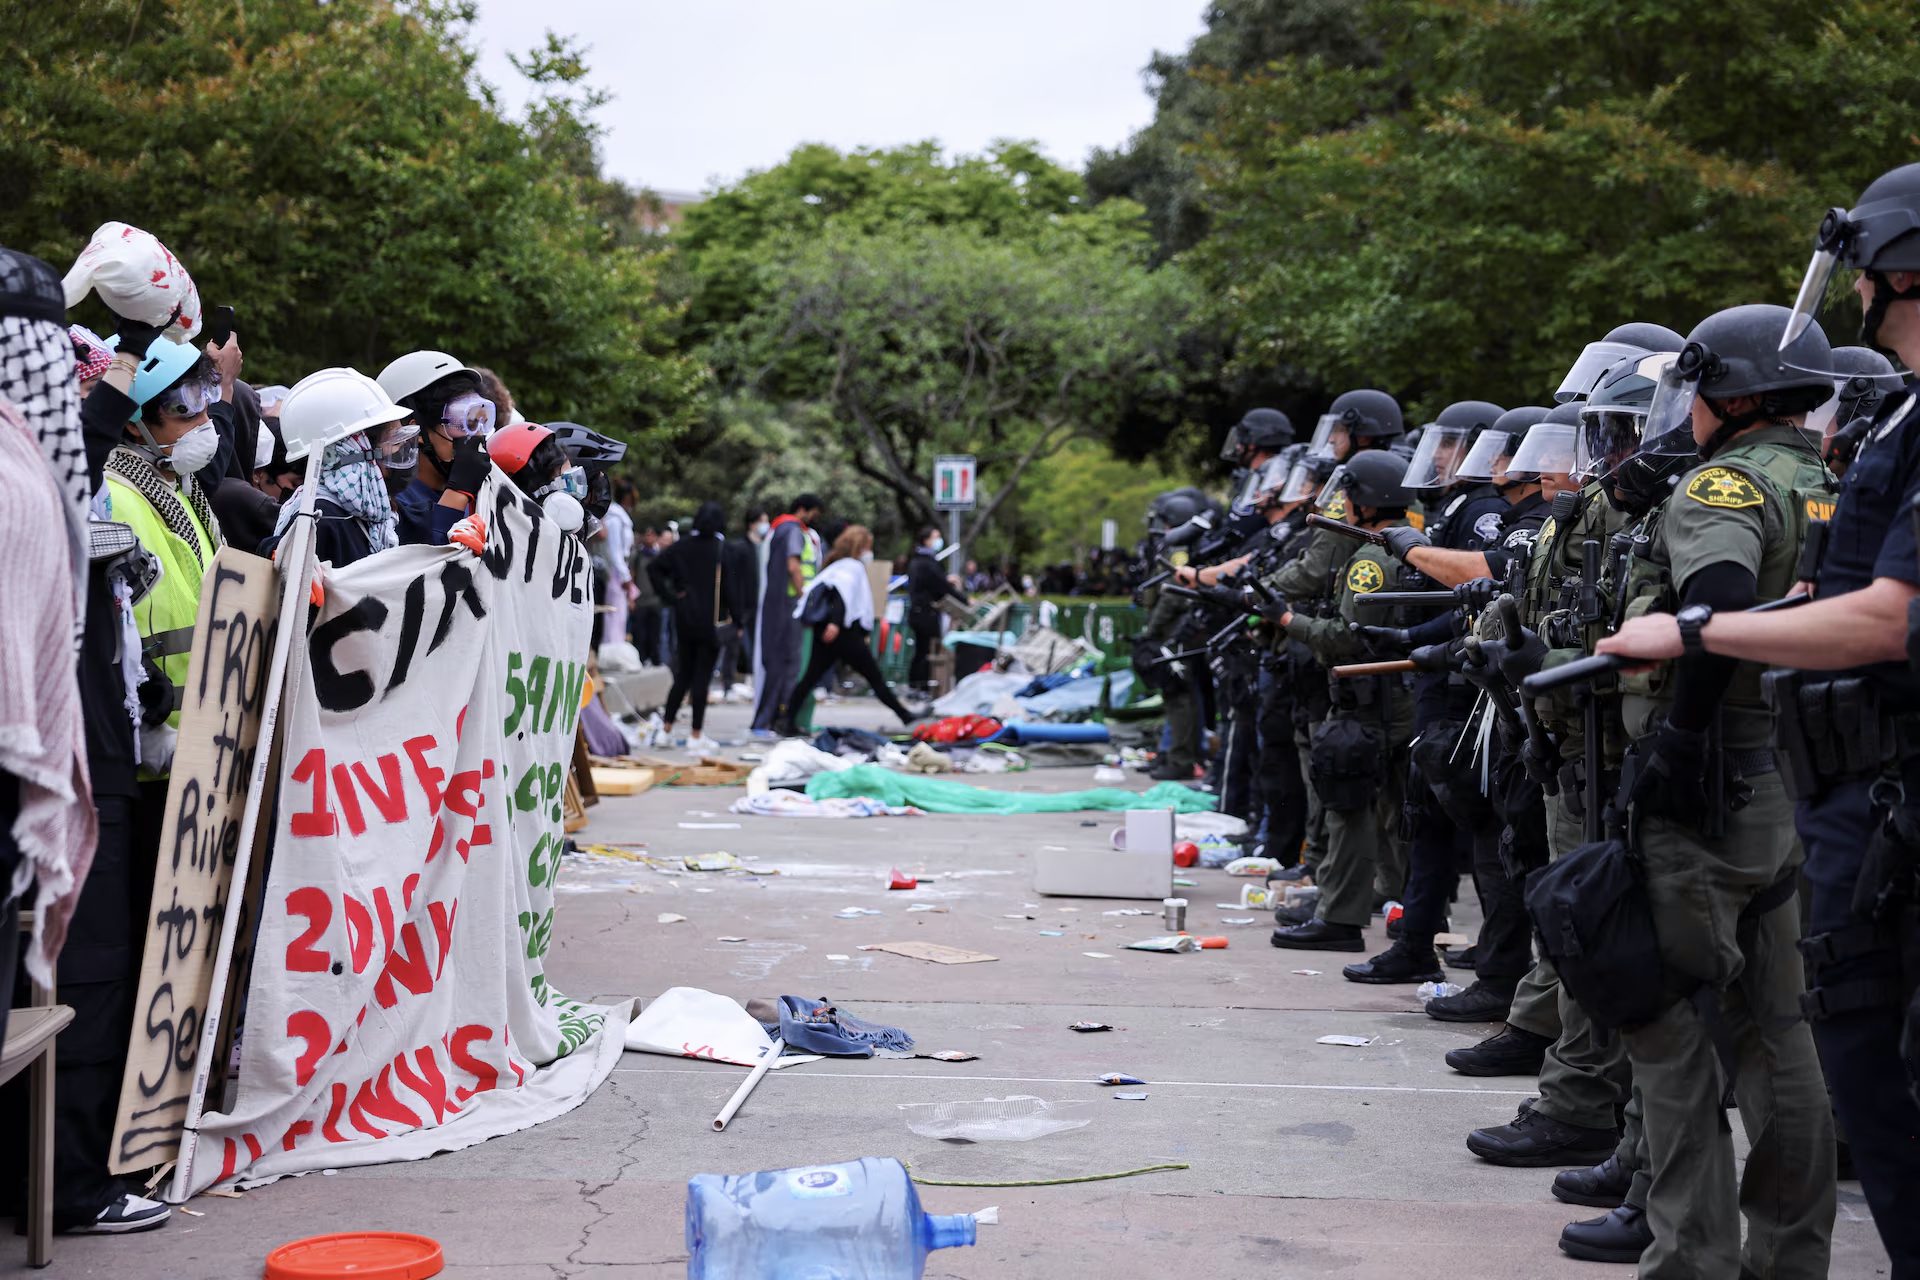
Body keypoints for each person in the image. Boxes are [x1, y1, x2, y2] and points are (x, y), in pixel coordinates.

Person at [1598, 163, 1920, 1275]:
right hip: (1800, 782)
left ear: (1726, 392)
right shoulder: (1831, 473)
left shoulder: (1722, 486)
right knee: (1790, 1033)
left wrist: (1678, 718)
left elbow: (1720, 607)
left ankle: (1691, 1255)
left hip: (1717, 781)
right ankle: (1792, 1256)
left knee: (1675, 1022)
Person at [1269, 450, 1417, 952]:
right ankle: (1397, 903)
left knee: (1349, 810)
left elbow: (1348, 638)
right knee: (1394, 814)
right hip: (1398, 702)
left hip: (1367, 704)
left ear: (1367, 502)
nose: (1344, 506)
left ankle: (1340, 919)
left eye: (1349, 497)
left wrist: (1287, 621)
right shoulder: (1410, 546)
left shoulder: (1371, 560)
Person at [259, 369, 412, 565]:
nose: (400, 451)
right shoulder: (320, 519)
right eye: (393, 441)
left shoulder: (372, 512)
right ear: (352, 449)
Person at [774, 525, 915, 735]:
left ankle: (786, 720)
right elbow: (842, 595)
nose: (870, 552)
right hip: (843, 633)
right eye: (868, 546)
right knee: (874, 676)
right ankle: (905, 715)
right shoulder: (851, 567)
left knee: (810, 677)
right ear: (860, 546)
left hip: (828, 632)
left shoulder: (835, 565)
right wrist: (836, 623)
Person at [375, 350, 492, 547]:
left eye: (480, 422)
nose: (476, 436)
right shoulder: (389, 505)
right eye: (461, 424)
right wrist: (458, 492)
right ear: (416, 432)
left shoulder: (480, 493)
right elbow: (425, 564)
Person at [647, 501, 733, 753]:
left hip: (684, 618)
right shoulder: (720, 549)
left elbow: (654, 569)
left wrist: (672, 597)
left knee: (683, 675)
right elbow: (729, 588)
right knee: (701, 678)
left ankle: (666, 730)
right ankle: (696, 734)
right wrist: (736, 618)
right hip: (710, 622)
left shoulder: (681, 547)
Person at [752, 493, 824, 736]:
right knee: (789, 664)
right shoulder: (793, 531)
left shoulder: (778, 530)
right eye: (814, 513)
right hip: (791, 604)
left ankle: (772, 719)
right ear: (804, 509)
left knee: (779, 663)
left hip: (780, 604)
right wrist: (804, 595)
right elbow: (793, 565)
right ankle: (782, 720)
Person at [906, 525, 966, 694]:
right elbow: (942, 587)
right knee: (926, 650)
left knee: (921, 649)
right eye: (935, 536)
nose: (938, 540)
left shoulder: (920, 561)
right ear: (926, 540)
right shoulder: (926, 563)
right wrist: (965, 600)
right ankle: (922, 685)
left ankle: (917, 685)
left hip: (919, 613)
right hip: (925, 614)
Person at [718, 508, 762, 698]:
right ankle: (728, 684)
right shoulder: (740, 547)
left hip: (758, 603)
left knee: (754, 645)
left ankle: (752, 681)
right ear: (752, 523)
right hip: (743, 605)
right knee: (734, 644)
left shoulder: (762, 546)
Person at [601, 478, 637, 649]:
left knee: (621, 614)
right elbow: (614, 551)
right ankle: (611, 649)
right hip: (616, 571)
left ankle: (617, 648)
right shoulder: (615, 518)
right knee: (615, 613)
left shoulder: (622, 518)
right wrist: (625, 576)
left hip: (621, 569)